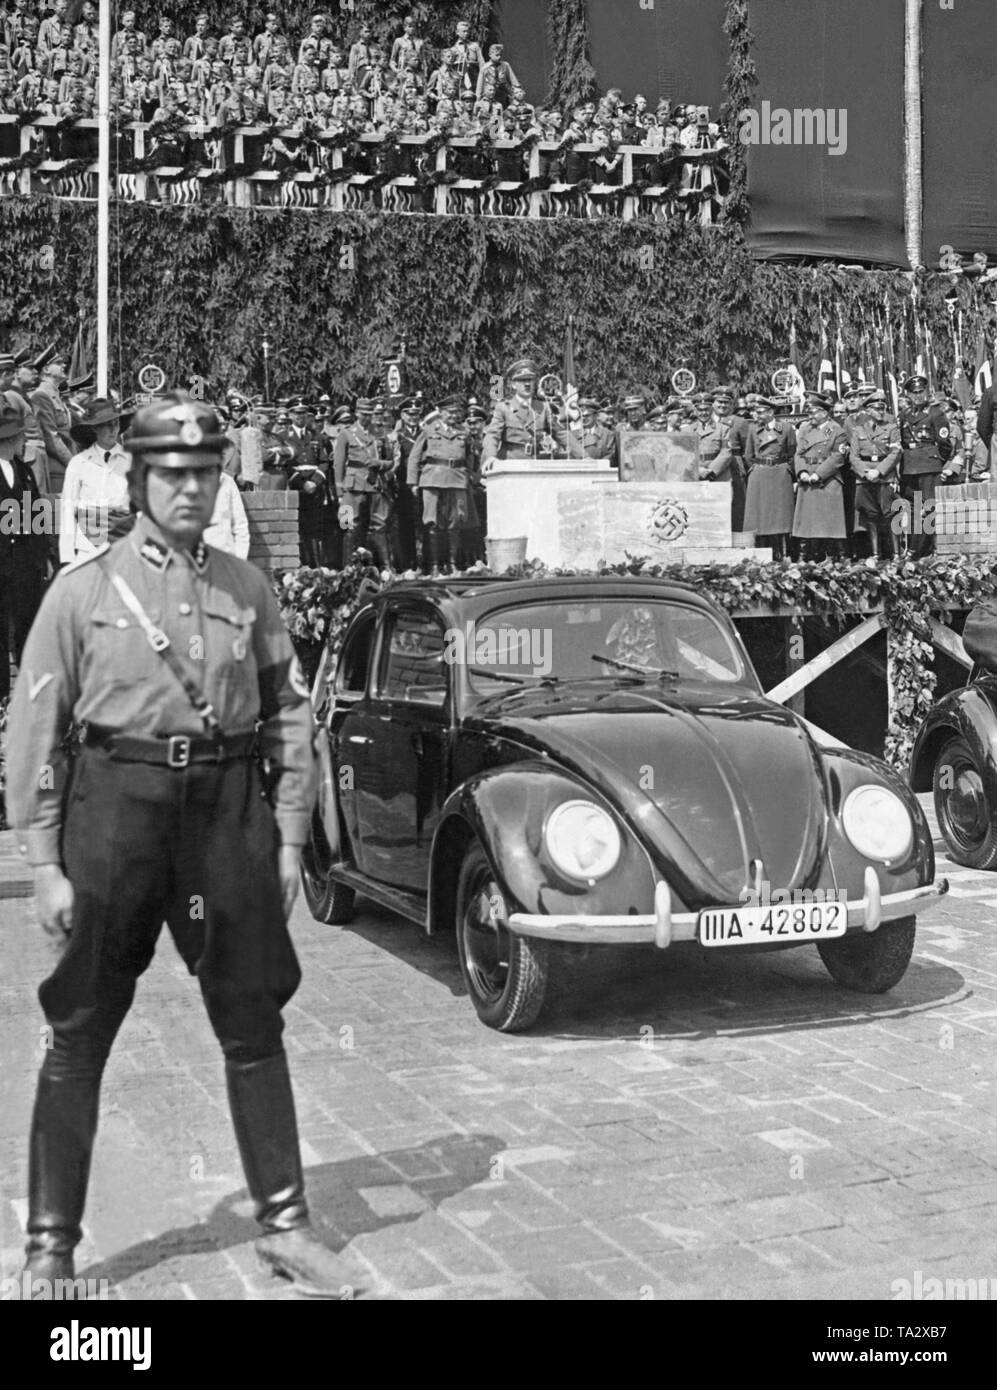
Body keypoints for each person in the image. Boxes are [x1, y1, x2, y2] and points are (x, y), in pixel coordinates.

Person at [6, 392, 355, 1301]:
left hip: (226, 814)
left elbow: (285, 710)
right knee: (79, 1028)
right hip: (115, 811)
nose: (193, 489)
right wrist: (42, 862)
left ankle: (285, 1226)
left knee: (253, 1021)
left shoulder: (247, 587)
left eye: (206, 473)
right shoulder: (81, 592)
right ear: (138, 481)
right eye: (174, 474)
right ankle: (50, 1251)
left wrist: (286, 836)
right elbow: (35, 730)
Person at [0, 394, 49, 700]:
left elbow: (36, 515)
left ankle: (29, 695)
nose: (24, 441)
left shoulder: (25, 471)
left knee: (28, 627)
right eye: (20, 436)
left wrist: (43, 556)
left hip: (24, 564)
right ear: (9, 438)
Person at [58, 396, 132, 565]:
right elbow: (68, 509)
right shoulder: (79, 463)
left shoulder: (131, 460)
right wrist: (67, 556)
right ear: (95, 429)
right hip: (88, 547)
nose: (113, 430)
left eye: (115, 423)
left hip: (122, 543)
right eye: (106, 425)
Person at [407, 393, 472, 573]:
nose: (453, 416)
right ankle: (434, 565)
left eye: (455, 413)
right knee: (432, 521)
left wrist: (470, 477)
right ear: (440, 413)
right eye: (449, 413)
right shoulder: (429, 431)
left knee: (457, 521)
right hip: (432, 479)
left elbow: (470, 456)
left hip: (457, 479)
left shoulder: (463, 432)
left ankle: (452, 563)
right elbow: (414, 457)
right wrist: (413, 482)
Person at [898, 374, 958, 560]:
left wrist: (936, 461)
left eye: (921, 391)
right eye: (914, 393)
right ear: (908, 395)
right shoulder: (905, 415)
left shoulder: (935, 413)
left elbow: (945, 443)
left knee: (930, 507)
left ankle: (929, 548)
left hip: (929, 465)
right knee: (914, 508)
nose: (918, 396)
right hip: (909, 465)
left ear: (927, 391)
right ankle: (915, 548)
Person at [332, 396, 392, 568]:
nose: (366, 417)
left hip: (374, 484)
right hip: (352, 486)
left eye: (369, 414)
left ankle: (386, 566)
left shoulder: (379, 434)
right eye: (363, 414)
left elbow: (390, 462)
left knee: (379, 525)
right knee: (348, 525)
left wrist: (378, 464)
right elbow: (338, 463)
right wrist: (339, 491)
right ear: (356, 413)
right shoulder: (345, 434)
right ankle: (348, 567)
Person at [792, 391, 848, 560]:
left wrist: (818, 474)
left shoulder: (837, 431)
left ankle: (835, 557)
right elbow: (798, 453)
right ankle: (804, 556)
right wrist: (802, 471)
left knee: (830, 522)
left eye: (813, 412)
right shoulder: (805, 429)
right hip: (806, 477)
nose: (810, 416)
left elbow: (837, 457)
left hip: (827, 479)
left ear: (824, 413)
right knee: (806, 520)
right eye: (809, 413)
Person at [846, 390, 901, 559]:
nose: (881, 412)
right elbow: (853, 456)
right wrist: (865, 472)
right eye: (877, 409)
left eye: (883, 408)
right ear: (868, 411)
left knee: (889, 513)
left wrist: (879, 470)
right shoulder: (858, 430)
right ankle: (875, 553)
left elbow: (895, 453)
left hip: (884, 475)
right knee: (870, 515)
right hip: (864, 477)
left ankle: (896, 553)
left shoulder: (891, 428)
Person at [743, 396, 796, 559]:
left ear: (771, 412)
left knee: (780, 517)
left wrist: (787, 471)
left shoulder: (786, 429)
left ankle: (782, 552)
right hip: (759, 474)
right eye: (756, 412)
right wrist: (756, 468)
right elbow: (748, 455)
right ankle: (760, 552)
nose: (757, 415)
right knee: (759, 518)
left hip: (779, 475)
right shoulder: (753, 429)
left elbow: (793, 453)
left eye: (760, 412)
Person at [481, 360, 555, 462]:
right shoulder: (504, 408)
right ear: (513, 385)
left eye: (530, 380)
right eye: (522, 380)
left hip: (535, 462)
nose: (527, 384)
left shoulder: (543, 407)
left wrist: (583, 455)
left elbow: (561, 433)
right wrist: (490, 457)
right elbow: (492, 435)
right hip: (510, 463)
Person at [30, 347, 74, 494]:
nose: (64, 366)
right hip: (56, 466)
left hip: (64, 464)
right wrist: (73, 463)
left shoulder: (55, 394)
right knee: (57, 512)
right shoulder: (41, 395)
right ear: (47, 369)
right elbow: (51, 437)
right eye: (59, 363)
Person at [204, 466, 251, 557]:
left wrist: (239, 561)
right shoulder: (183, 483)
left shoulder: (227, 482)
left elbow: (240, 526)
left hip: (224, 558)